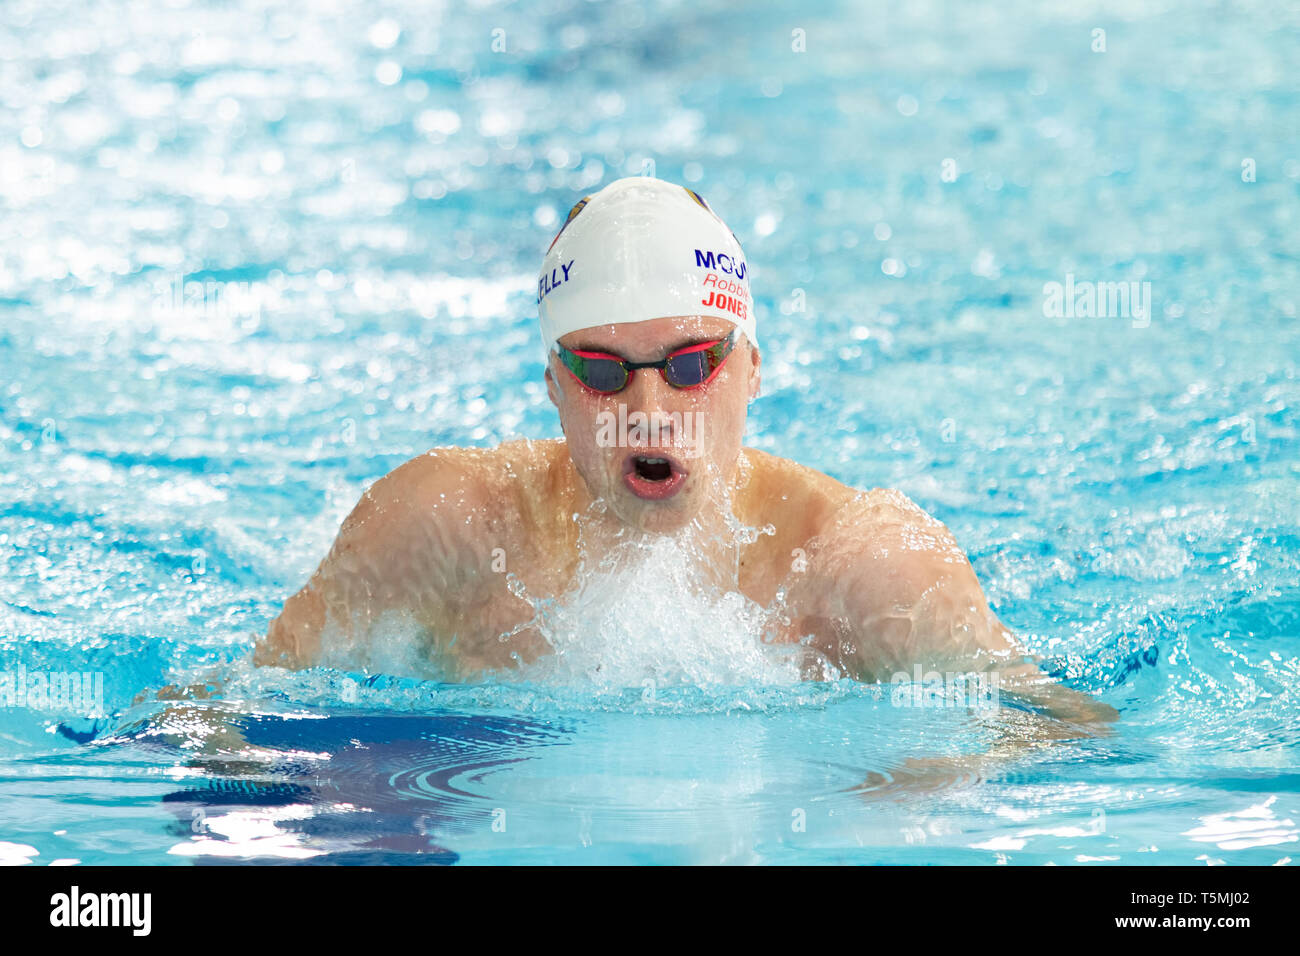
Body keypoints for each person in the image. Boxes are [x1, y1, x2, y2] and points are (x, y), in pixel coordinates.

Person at [253, 175, 1116, 746]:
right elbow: (231, 717)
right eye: (600, 372)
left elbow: (1064, 738)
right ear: (552, 384)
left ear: (752, 369)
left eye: (691, 364)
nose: (648, 414)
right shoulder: (443, 529)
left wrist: (927, 789)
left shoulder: (865, 566)